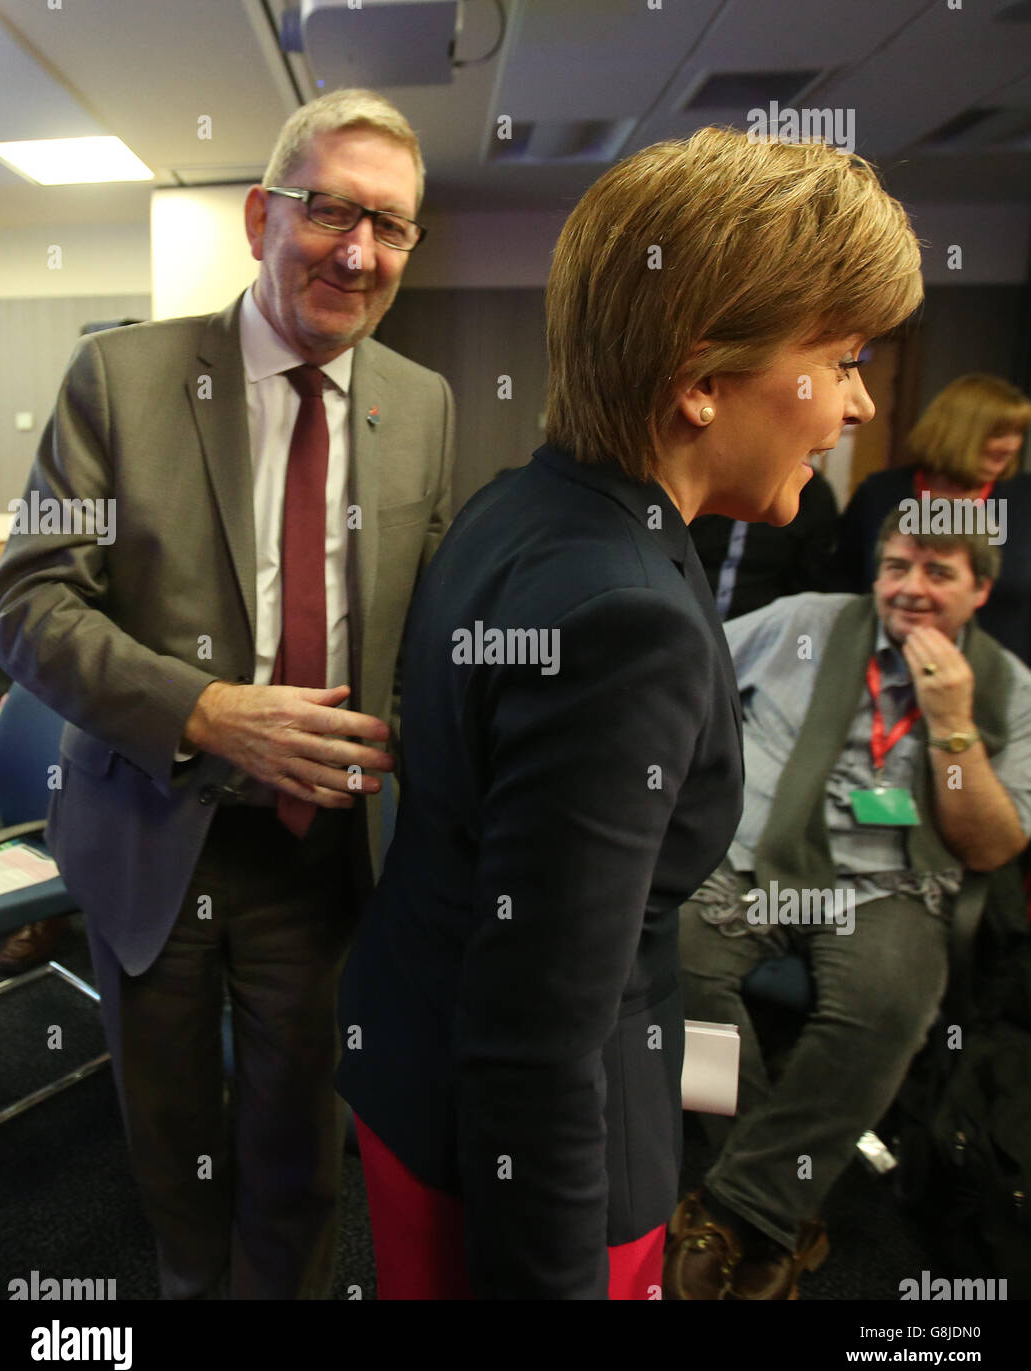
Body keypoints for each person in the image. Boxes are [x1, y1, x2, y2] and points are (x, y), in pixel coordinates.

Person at [335, 127, 923, 1299]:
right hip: (532, 1174)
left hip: (415, 1075)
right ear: (702, 379)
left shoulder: (525, 502)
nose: (856, 402)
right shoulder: (626, 617)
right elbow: (538, 1034)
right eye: (843, 357)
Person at [0, 88, 455, 1299]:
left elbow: (423, 634)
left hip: (326, 854)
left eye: (392, 226)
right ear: (262, 216)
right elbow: (28, 606)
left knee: (303, 1153)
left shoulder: (425, 408)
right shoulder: (120, 381)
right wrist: (202, 710)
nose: (360, 250)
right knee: (178, 1154)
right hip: (157, 835)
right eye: (333, 211)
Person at [668, 511, 1031, 1300]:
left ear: (981, 589)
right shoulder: (803, 621)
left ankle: (731, 1208)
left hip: (888, 885)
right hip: (751, 864)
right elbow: (685, 670)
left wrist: (954, 726)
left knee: (889, 1004)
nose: (912, 588)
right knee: (675, 963)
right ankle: (776, 1211)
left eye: (940, 573)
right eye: (898, 566)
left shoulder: (1009, 688)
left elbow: (993, 849)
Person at [830, 374, 1031, 664]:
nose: (1011, 446)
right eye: (999, 433)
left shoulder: (1024, 498)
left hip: (997, 680)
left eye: (1019, 433)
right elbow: (840, 584)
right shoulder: (881, 493)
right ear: (956, 432)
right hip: (879, 671)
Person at [688, 463, 839, 619]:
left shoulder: (813, 494)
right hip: (682, 620)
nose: (828, 441)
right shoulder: (701, 475)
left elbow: (811, 582)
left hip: (763, 629)